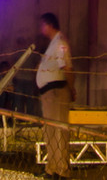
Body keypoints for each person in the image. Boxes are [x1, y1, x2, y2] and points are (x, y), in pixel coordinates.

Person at [34, 13, 72, 179]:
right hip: (49, 93)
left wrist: (71, 89)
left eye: (43, 25)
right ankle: (52, 168)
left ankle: (62, 170)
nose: (41, 29)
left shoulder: (60, 44)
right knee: (50, 131)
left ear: (49, 25)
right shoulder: (52, 45)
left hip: (56, 92)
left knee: (59, 131)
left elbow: (67, 68)